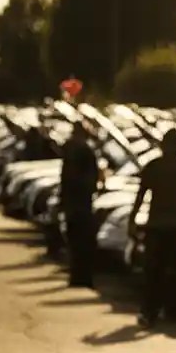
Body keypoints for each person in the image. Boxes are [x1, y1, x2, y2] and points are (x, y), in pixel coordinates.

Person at [129, 129, 176, 329]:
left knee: (154, 270)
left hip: (157, 226)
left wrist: (132, 220)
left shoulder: (154, 166)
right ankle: (173, 310)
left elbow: (140, 195)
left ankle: (150, 311)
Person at [60, 122, 101, 288]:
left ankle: (78, 276)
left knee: (76, 241)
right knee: (82, 242)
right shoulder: (84, 151)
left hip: (74, 203)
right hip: (82, 203)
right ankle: (82, 276)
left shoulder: (71, 152)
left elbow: (65, 178)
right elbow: (92, 177)